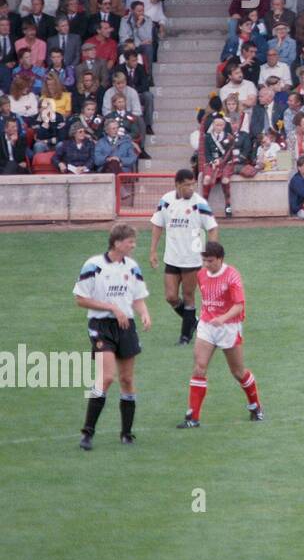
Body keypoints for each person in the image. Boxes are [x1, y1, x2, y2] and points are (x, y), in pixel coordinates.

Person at [75, 223, 152, 450]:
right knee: (107, 377)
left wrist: (145, 313)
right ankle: (87, 433)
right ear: (117, 243)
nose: (133, 245)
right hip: (101, 326)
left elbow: (137, 297)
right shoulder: (93, 265)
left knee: (127, 380)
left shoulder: (133, 267)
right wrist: (111, 307)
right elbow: (80, 299)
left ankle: (126, 434)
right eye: (130, 241)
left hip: (126, 325)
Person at [177, 241, 263, 427]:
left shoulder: (232, 276)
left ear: (220, 259)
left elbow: (239, 305)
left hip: (229, 327)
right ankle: (193, 417)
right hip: (207, 326)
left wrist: (222, 318)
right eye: (204, 260)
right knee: (199, 367)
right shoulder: (201, 274)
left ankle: (255, 406)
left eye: (210, 261)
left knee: (238, 372)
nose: (206, 264)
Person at [148, 168, 219, 347]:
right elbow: (157, 225)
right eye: (187, 185)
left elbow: (212, 228)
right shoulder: (166, 201)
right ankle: (194, 322)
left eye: (192, 184)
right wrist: (153, 250)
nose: (191, 188)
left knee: (188, 296)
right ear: (177, 185)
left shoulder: (199, 203)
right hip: (172, 257)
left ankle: (185, 337)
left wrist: (210, 252)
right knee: (171, 297)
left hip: (192, 259)